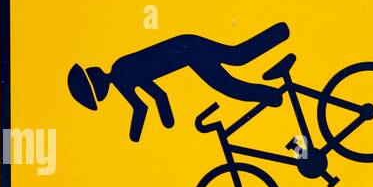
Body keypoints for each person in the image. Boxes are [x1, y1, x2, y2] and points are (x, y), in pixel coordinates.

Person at [67, 21, 289, 142]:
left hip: (188, 52)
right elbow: (157, 96)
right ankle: (279, 38)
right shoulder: (120, 71)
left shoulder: (121, 74)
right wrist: (167, 119)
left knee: (232, 73)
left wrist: (135, 135)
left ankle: (272, 89)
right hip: (186, 48)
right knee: (236, 59)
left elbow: (141, 106)